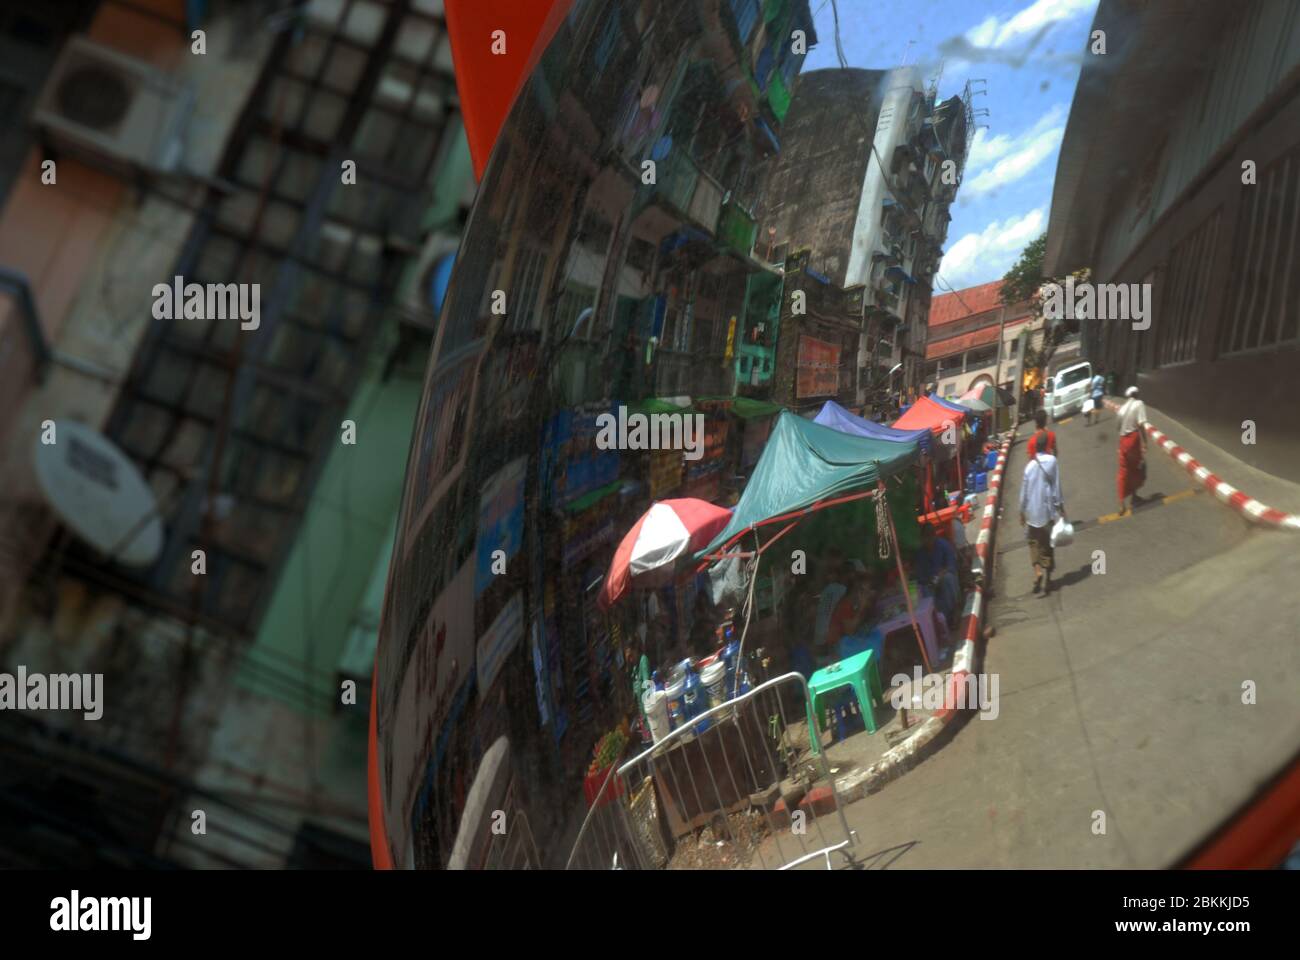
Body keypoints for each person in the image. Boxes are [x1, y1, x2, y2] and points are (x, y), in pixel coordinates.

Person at [1019, 446, 1066, 596]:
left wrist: (1021, 512)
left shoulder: (1029, 467)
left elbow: (1023, 494)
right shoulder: (1052, 461)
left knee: (1033, 544)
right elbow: (1056, 488)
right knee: (1048, 546)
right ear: (1046, 447)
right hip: (1047, 513)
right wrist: (1060, 507)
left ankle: (1038, 571)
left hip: (1032, 515)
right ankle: (1048, 579)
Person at [914, 524, 961, 629]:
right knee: (922, 589)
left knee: (948, 579)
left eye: (929, 537)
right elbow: (920, 576)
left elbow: (951, 566)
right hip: (930, 583)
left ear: (934, 536)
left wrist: (941, 574)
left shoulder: (944, 546)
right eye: (925, 538)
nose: (927, 541)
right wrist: (928, 582)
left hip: (945, 578)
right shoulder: (920, 553)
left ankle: (953, 612)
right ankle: (935, 620)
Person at [1116, 385, 1148, 515]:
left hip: (1123, 441)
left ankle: (1121, 504)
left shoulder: (1121, 409)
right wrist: (1145, 442)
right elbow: (1141, 424)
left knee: (1124, 471)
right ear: (1136, 394)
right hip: (1133, 440)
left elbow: (1118, 429)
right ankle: (1134, 497)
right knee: (1137, 468)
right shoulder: (1139, 404)